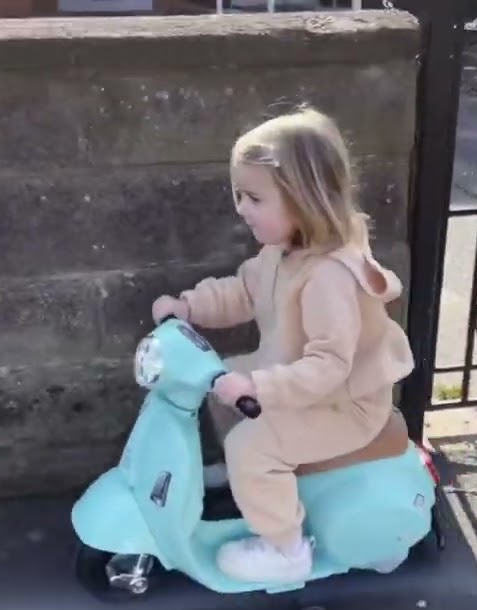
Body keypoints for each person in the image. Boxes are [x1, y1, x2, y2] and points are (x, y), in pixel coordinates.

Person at [151, 106, 415, 584]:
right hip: (301, 382)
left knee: (254, 444)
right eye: (239, 194)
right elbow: (243, 291)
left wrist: (258, 387)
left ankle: (285, 549)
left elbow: (330, 365)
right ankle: (251, 479)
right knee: (222, 383)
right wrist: (189, 308)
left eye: (254, 197)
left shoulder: (329, 276)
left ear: (303, 199)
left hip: (345, 404)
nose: (240, 208)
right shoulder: (282, 253)